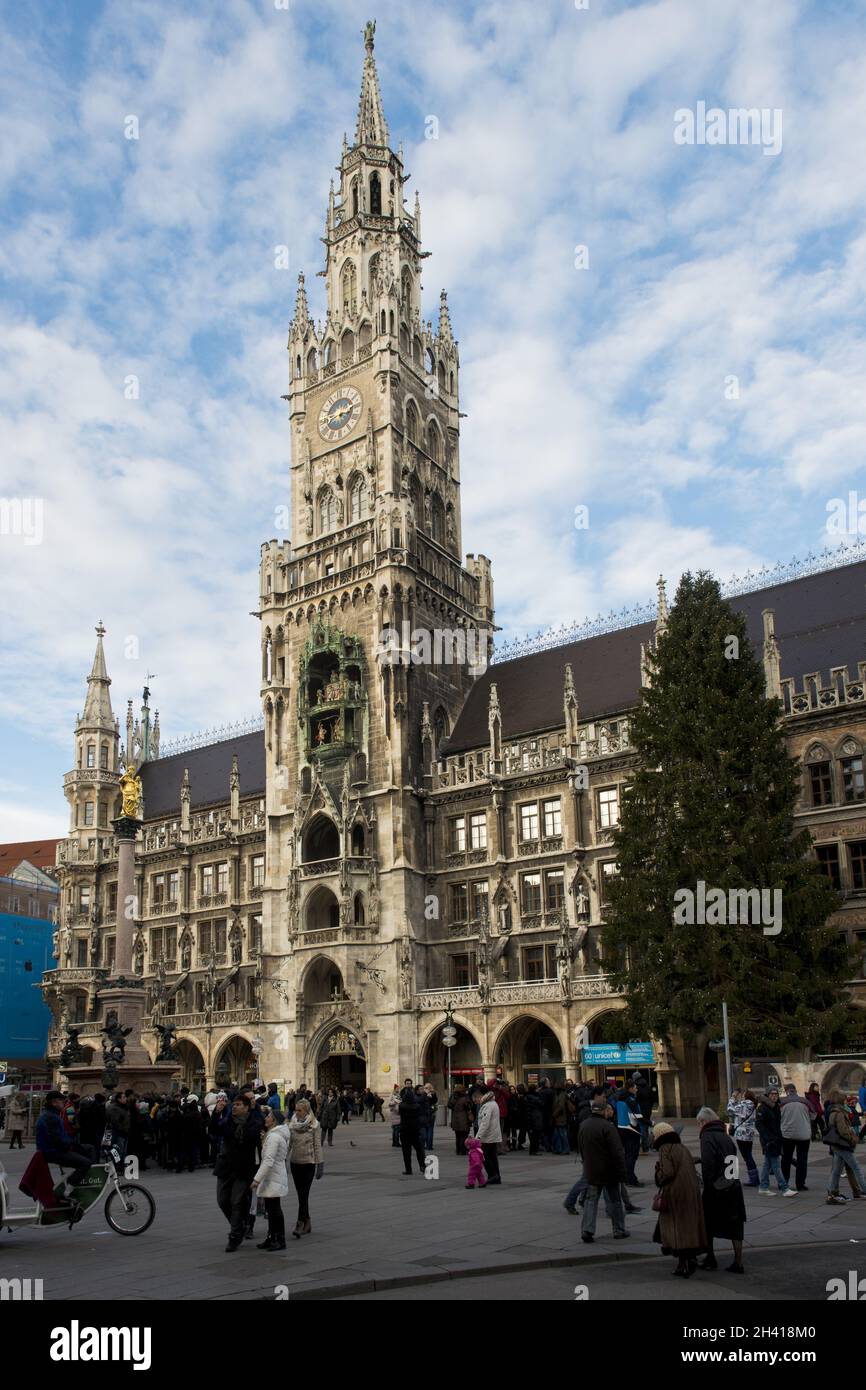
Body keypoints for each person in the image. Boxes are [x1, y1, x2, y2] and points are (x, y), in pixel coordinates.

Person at [651, 1121, 706, 1277]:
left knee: (676, 1229)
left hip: (675, 1194)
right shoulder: (681, 1147)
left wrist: (658, 1174)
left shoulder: (664, 1148)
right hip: (691, 1192)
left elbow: (667, 1172)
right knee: (688, 1228)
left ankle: (685, 1263)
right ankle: (685, 1262)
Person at [696, 1107, 746, 1274]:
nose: (698, 1126)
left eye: (699, 1123)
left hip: (716, 1187)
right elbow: (732, 1159)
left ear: (704, 1121)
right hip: (733, 1184)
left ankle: (710, 1257)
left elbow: (708, 1164)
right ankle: (738, 1261)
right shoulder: (725, 1136)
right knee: (735, 1224)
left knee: (708, 1223)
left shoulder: (707, 1136)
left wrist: (708, 1184)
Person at [211, 1093, 262, 1252]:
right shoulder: (228, 1121)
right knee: (222, 1200)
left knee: (236, 1201)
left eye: (239, 1105)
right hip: (225, 1166)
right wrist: (216, 1113)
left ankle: (234, 1235)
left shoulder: (254, 1122)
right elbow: (215, 1130)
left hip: (244, 1168)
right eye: (234, 1104)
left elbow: (255, 1141)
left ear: (246, 1107)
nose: (235, 1107)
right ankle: (239, 1224)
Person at [577, 1099, 628, 1242]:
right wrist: (623, 1172)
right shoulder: (608, 1127)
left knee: (590, 1200)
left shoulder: (584, 1125)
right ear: (604, 1111)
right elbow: (617, 1151)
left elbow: (580, 1147)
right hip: (609, 1170)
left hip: (592, 1169)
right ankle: (619, 1229)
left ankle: (587, 1230)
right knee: (615, 1200)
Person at [35, 1091, 95, 1196]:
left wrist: (74, 1146)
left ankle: (84, 1178)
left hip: (54, 1148)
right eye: (61, 1101)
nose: (64, 1102)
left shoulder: (51, 1114)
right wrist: (71, 1147)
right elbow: (57, 1140)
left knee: (90, 1148)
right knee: (85, 1163)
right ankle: (69, 1189)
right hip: (52, 1152)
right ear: (54, 1102)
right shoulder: (51, 1117)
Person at [251, 1106, 289, 1250]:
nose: (265, 1118)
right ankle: (272, 1237)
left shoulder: (274, 1136)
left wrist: (256, 1180)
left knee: (274, 1209)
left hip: (273, 1175)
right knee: (271, 1208)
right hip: (274, 1175)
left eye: (268, 1116)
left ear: (274, 1121)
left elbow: (268, 1160)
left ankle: (279, 1239)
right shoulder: (273, 1135)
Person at [287, 1098, 322, 1236]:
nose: (296, 1112)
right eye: (296, 1110)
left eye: (299, 1110)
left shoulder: (314, 1125)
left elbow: (317, 1145)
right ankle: (307, 1222)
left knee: (304, 1194)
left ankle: (300, 1223)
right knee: (301, 1194)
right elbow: (289, 1143)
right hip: (295, 1162)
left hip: (308, 1163)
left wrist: (320, 1163)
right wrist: (284, 1158)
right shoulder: (292, 1124)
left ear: (306, 1111)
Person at [824, 1088, 866, 1204]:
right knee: (856, 1167)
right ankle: (864, 1190)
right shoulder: (839, 1113)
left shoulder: (833, 1111)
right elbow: (843, 1131)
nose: (846, 1100)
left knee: (836, 1170)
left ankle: (832, 1193)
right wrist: (854, 1138)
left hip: (837, 1145)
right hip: (843, 1145)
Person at [755, 1089, 796, 1196]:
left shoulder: (775, 1107)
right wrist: (768, 1139)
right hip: (769, 1141)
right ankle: (784, 1188)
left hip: (776, 1139)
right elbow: (759, 1125)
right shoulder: (763, 1108)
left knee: (767, 1165)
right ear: (768, 1095)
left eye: (776, 1094)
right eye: (772, 1094)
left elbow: (777, 1125)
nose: (774, 1096)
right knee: (776, 1165)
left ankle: (763, 1186)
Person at [779, 1084, 812, 1192]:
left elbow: (777, 1117)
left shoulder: (781, 1102)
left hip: (787, 1135)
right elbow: (814, 1115)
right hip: (804, 1134)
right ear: (795, 1090)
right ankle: (800, 1184)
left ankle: (784, 1182)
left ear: (786, 1091)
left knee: (786, 1159)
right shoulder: (805, 1101)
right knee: (802, 1160)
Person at [726, 1088, 759, 1187]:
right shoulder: (752, 1105)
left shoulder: (744, 1104)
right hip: (749, 1135)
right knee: (748, 1155)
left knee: (747, 1157)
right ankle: (754, 1178)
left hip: (741, 1135)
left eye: (743, 1095)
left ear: (745, 1096)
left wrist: (733, 1097)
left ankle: (754, 1179)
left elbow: (730, 1110)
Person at [615, 1081, 642, 1185]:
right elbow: (637, 1116)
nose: (637, 1089)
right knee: (632, 1155)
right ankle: (630, 1178)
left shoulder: (620, 1099)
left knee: (628, 1154)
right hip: (632, 1130)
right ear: (630, 1089)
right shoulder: (630, 1100)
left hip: (623, 1129)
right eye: (635, 1087)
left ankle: (628, 1176)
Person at [475, 1090, 502, 1185]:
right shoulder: (493, 1103)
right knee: (492, 1156)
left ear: (479, 1097)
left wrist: (478, 1137)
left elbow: (485, 1123)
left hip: (488, 1136)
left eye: (476, 1101)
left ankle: (493, 1175)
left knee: (484, 1156)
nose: (476, 1103)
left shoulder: (488, 1106)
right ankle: (496, 1176)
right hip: (493, 1134)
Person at [398, 1086, 426, 1176]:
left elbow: (400, 1113)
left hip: (404, 1130)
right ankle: (422, 1165)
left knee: (406, 1151)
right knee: (419, 1149)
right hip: (415, 1130)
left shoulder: (401, 1106)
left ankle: (408, 1169)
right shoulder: (417, 1106)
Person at [632, 1071, 654, 1153]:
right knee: (645, 1127)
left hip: (640, 1110)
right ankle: (646, 1145)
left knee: (641, 1127)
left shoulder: (636, 1087)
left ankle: (645, 1146)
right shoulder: (648, 1086)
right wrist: (650, 1107)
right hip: (648, 1110)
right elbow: (652, 1099)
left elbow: (635, 1100)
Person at [449, 1085, 474, 1156]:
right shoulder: (465, 1098)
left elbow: (449, 1105)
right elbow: (469, 1106)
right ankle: (463, 1150)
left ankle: (458, 1150)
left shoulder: (452, 1097)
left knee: (458, 1135)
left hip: (455, 1119)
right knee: (464, 1135)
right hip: (463, 1118)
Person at [551, 1083, 570, 1154]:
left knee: (562, 1134)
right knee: (558, 1134)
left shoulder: (562, 1095)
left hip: (561, 1117)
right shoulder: (557, 1094)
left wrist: (554, 1115)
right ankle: (559, 1148)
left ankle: (566, 1149)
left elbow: (561, 1106)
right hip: (558, 1118)